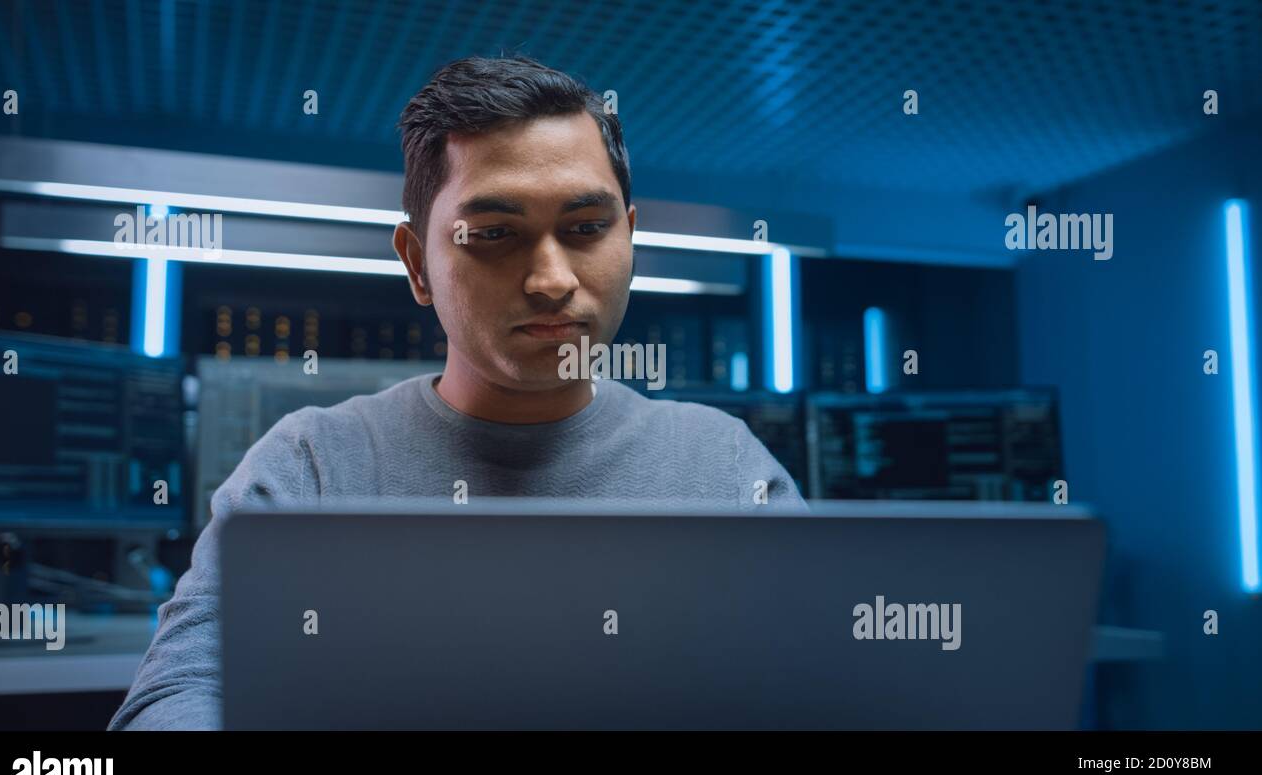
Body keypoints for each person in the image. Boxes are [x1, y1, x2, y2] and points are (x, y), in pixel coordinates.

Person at [109, 55, 804, 730]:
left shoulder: (723, 466)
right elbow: (177, 693)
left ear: (629, 233)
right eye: (495, 234)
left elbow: (822, 683)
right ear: (417, 264)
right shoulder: (310, 468)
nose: (552, 278)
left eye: (587, 227)